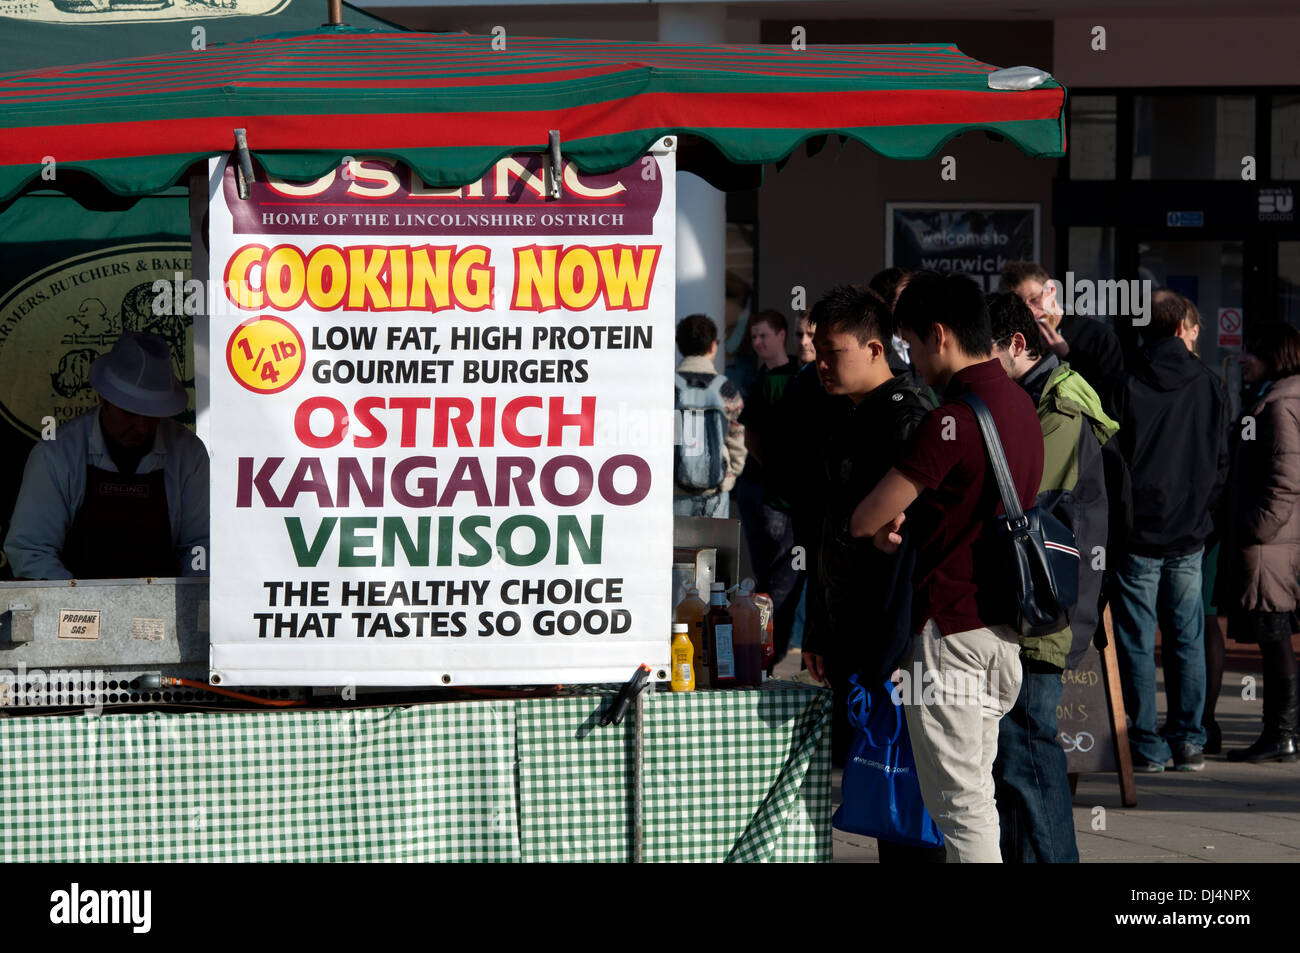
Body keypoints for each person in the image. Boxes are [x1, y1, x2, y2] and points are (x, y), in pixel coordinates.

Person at [848, 272, 1043, 863]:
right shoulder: (1021, 403)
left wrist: (886, 525)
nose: (910, 359)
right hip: (1001, 629)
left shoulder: (950, 420)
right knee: (975, 798)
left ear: (939, 335)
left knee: (959, 809)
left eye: (910, 344)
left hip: (950, 633)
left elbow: (864, 518)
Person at [803, 285, 939, 862]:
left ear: (875, 348)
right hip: (853, 624)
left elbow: (911, 547)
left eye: (832, 352)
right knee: (883, 787)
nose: (820, 363)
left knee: (910, 795)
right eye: (816, 351)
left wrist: (891, 652)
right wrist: (817, 626)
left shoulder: (909, 419)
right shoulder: (847, 413)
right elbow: (829, 528)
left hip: (895, 637)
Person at [987, 292, 1118, 862]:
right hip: (1039, 600)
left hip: (1046, 608)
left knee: (1028, 753)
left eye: (984, 355)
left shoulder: (1059, 408)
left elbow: (1025, 502)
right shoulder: (1032, 397)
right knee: (1014, 760)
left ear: (1018, 345)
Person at [1108, 291, 1229, 771]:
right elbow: (1221, 461)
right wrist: (1203, 512)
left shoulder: (1124, 381)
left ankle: (1146, 740)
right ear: (1182, 327)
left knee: (1137, 640)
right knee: (1186, 637)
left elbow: (1112, 463)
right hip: (1187, 531)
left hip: (1141, 532)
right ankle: (1187, 738)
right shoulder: (1208, 382)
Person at [4, 331, 209, 580]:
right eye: (130, 413)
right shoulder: (56, 454)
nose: (142, 427)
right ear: (103, 398)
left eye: (152, 415)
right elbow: (32, 551)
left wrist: (192, 591)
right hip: (73, 603)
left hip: (164, 604)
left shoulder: (189, 454)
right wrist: (83, 602)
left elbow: (200, 544)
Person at [1216, 322, 1300, 763]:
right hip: (1279, 543)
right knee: (1276, 636)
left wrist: (1254, 528)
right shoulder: (1278, 396)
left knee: (1275, 637)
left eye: (1253, 351)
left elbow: (1286, 478)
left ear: (1275, 356)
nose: (1243, 358)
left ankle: (1281, 733)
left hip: (1272, 546)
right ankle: (1284, 732)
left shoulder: (1280, 403)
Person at [738, 310, 801, 661]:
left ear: (781, 335)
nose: (758, 343)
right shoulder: (761, 381)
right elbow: (750, 437)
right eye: (754, 337)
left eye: (764, 335)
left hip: (782, 497)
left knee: (782, 582)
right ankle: (764, 656)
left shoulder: (799, 375)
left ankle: (766, 654)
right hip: (768, 495)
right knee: (775, 581)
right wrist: (774, 468)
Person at [1001, 261, 1124, 395]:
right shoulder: (1015, 342)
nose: (1030, 311)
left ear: (1051, 290)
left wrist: (1067, 356)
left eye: (1035, 299)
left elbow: (1111, 395)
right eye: (1020, 306)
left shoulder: (1099, 336)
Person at [673, 314, 746, 518]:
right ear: (713, 346)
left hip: (675, 489)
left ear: (679, 346)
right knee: (715, 540)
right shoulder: (725, 387)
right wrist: (731, 473)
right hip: (716, 488)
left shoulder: (669, 386)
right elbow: (736, 437)